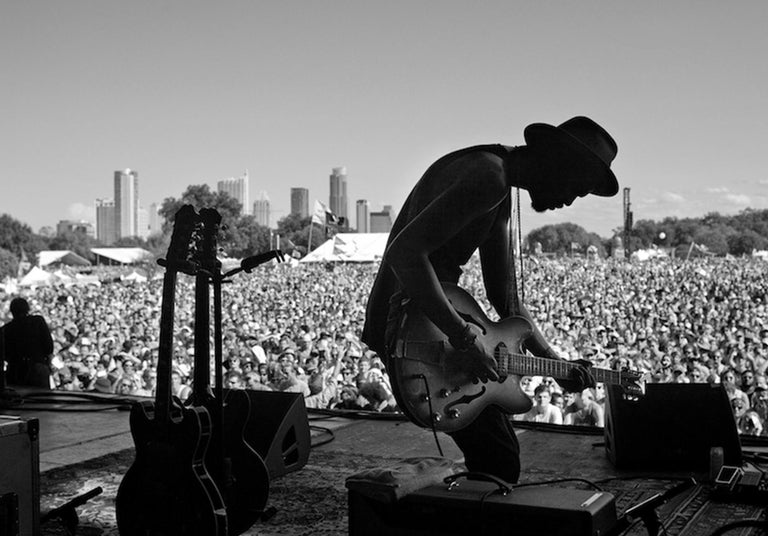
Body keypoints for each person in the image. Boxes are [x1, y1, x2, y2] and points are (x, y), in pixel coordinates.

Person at [362, 116, 618, 483]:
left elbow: (505, 297)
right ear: (559, 165)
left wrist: (555, 363)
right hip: (418, 327)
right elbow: (405, 254)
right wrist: (463, 337)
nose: (569, 201)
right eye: (576, 188)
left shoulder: (496, 180)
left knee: (496, 454)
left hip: (427, 320)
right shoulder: (488, 177)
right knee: (498, 459)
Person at [1, 297, 54, 388]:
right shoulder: (38, 321)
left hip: (15, 371)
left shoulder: (5, 329)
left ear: (12, 311)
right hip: (38, 368)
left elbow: (4, 354)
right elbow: (49, 347)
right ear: (27, 309)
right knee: (41, 400)